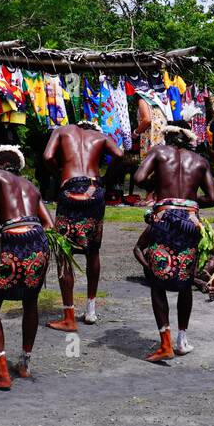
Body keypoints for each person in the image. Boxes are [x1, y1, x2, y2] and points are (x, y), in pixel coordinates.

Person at [131, 121, 214, 361]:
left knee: (157, 282)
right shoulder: (200, 161)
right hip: (190, 221)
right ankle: (182, 340)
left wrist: (159, 187)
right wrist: (188, 200)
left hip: (164, 218)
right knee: (185, 281)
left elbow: (138, 177)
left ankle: (165, 343)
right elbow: (212, 198)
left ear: (167, 136)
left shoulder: (158, 152)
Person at [0, 144, 53, 389]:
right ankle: (25, 364)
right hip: (38, 240)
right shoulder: (31, 187)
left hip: (13, 242)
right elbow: (49, 225)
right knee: (30, 301)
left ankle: (2, 373)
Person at [44, 119, 122, 331]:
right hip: (94, 189)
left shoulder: (62, 131)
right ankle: (91, 310)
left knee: (65, 251)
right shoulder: (100, 136)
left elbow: (47, 156)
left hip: (69, 188)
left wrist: (59, 174)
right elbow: (120, 155)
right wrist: (106, 178)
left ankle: (69, 315)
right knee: (93, 251)